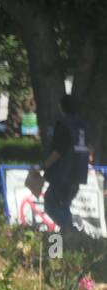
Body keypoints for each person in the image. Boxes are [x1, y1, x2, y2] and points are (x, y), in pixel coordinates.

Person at [41, 93, 91, 234]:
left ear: (62, 107)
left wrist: (45, 166)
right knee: (64, 205)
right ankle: (66, 241)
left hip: (63, 173)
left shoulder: (63, 125)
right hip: (79, 173)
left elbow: (59, 151)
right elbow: (89, 147)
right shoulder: (84, 125)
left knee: (51, 203)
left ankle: (69, 230)